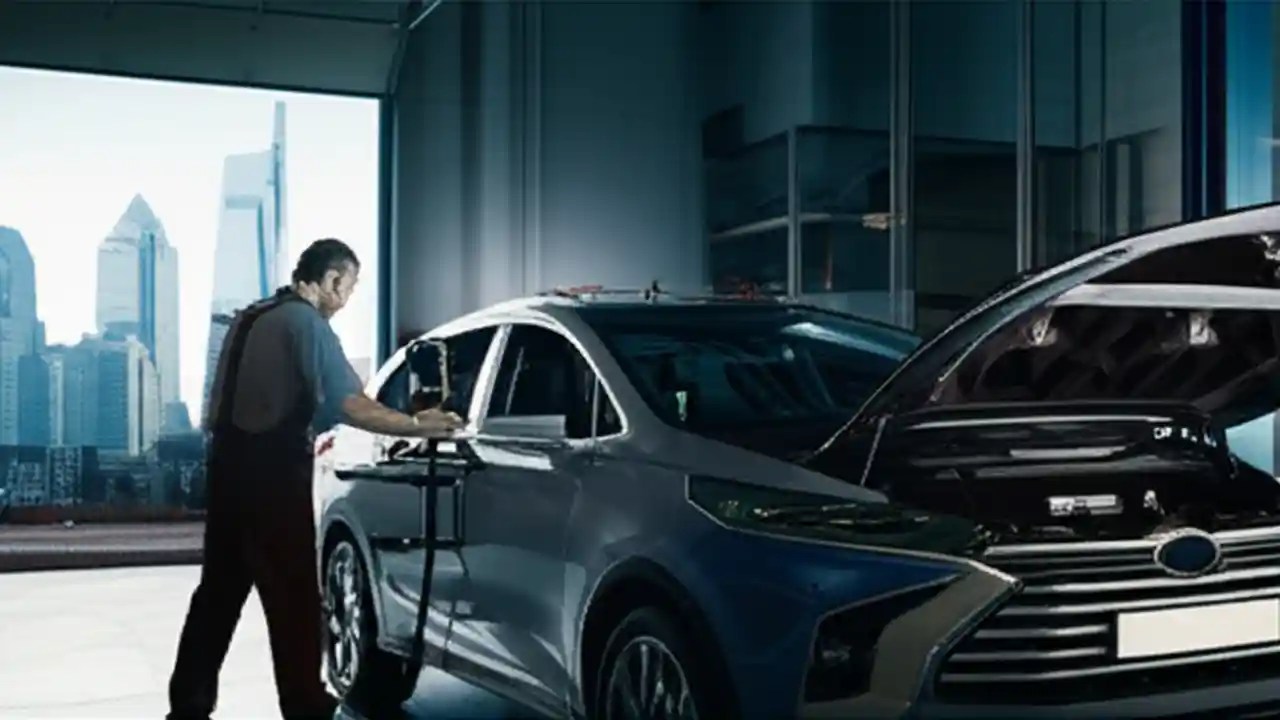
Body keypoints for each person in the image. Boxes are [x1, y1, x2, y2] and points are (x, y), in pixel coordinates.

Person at [166, 238, 462, 720]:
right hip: (273, 478)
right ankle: (304, 706)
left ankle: (189, 706)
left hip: (227, 475)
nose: (346, 299)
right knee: (295, 597)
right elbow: (349, 402)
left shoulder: (252, 317)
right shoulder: (307, 324)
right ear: (331, 280)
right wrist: (416, 424)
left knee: (217, 596)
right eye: (348, 287)